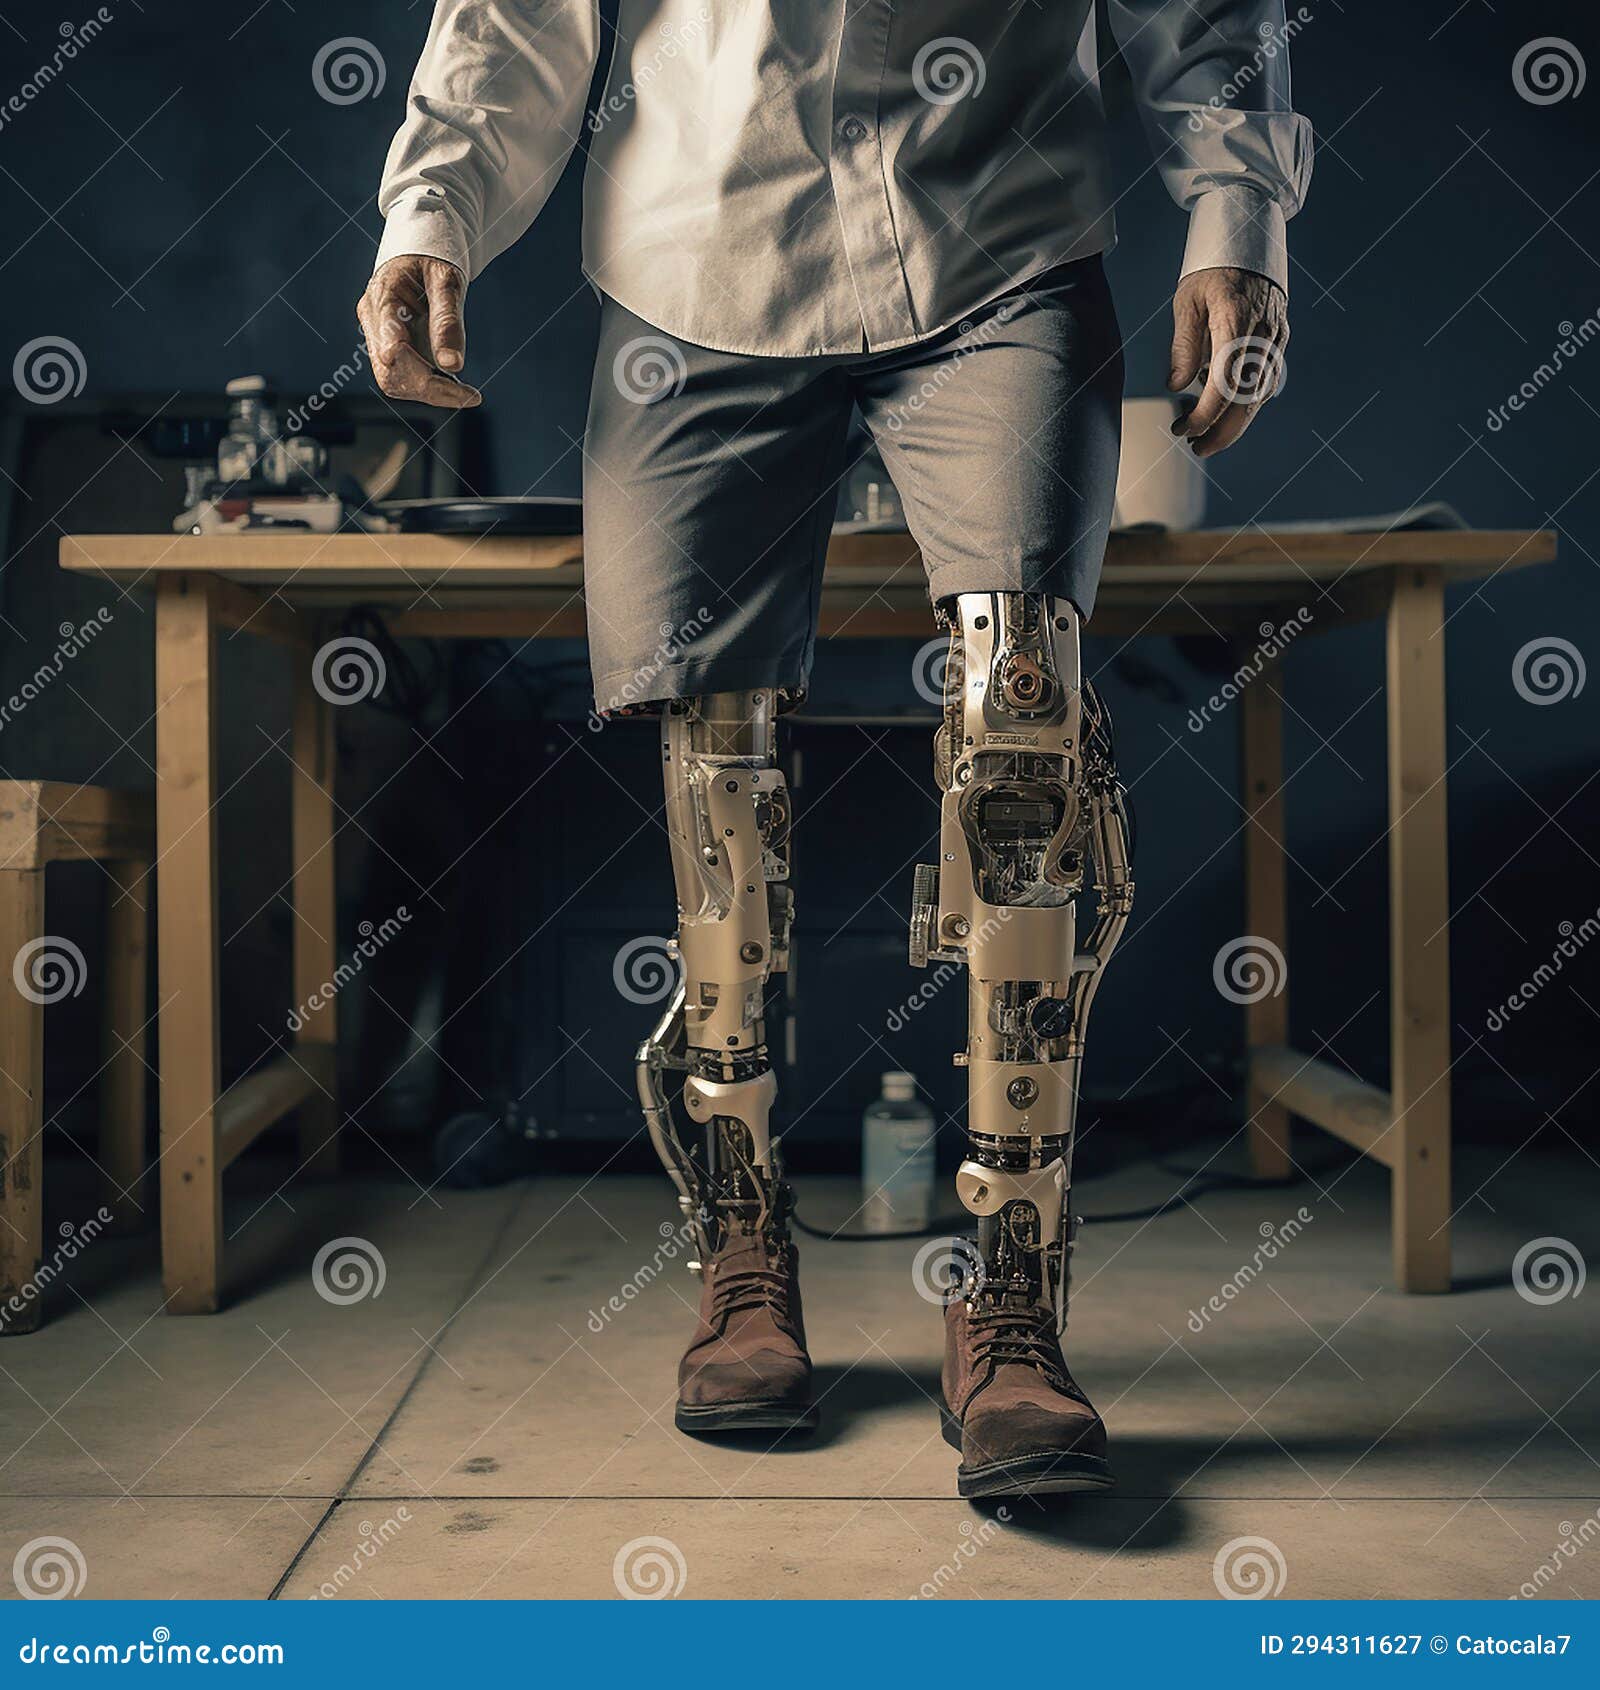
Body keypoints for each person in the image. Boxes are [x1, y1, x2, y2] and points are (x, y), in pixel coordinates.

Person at [357, 0, 1311, 1500]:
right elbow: (516, 16)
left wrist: (1236, 208)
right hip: (697, 255)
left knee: (1027, 746)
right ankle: (741, 1252)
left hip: (998, 235)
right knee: (713, 777)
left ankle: (1011, 1293)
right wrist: (433, 207)